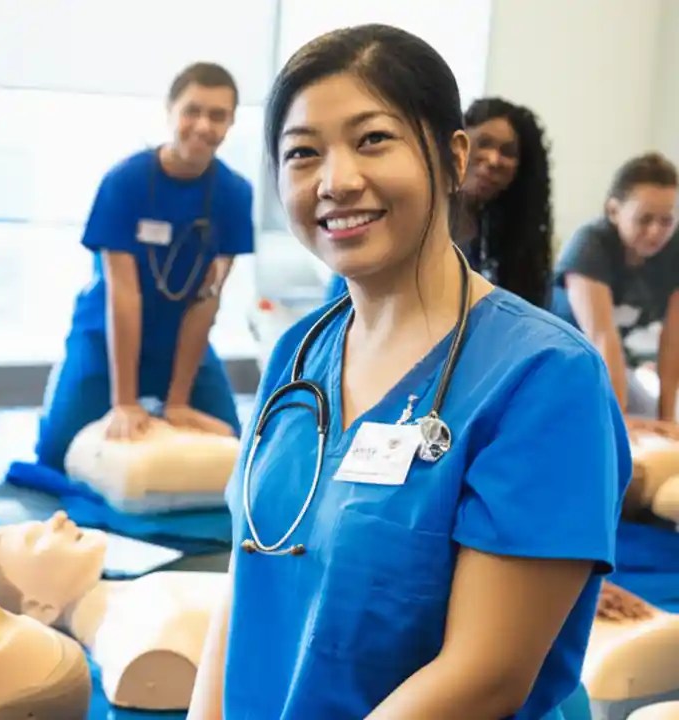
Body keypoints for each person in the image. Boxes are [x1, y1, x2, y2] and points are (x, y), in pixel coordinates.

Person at [188, 24, 630, 719]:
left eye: (373, 140)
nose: (336, 181)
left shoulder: (545, 377)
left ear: (453, 156)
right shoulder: (299, 354)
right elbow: (247, 582)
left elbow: (485, 676)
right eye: (302, 153)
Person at [33, 62, 255, 474]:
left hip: (182, 338)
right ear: (170, 110)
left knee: (232, 446)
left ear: (231, 123)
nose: (203, 125)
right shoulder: (125, 181)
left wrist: (178, 401)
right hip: (105, 335)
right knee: (56, 452)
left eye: (218, 115)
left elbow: (207, 300)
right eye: (192, 110)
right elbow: (124, 296)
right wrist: (125, 401)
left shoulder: (235, 194)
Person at [324, 96, 554, 309]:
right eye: (484, 143)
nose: (494, 159)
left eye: (508, 152)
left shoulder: (506, 240)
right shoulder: (399, 217)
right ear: (458, 147)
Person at [552, 153, 679, 426]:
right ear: (613, 211)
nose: (656, 232)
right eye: (644, 219)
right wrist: (619, 427)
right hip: (557, 366)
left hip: (613, 364)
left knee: (649, 417)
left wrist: (666, 421)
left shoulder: (674, 249)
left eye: (666, 220)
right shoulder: (589, 246)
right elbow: (601, 339)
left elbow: (672, 341)